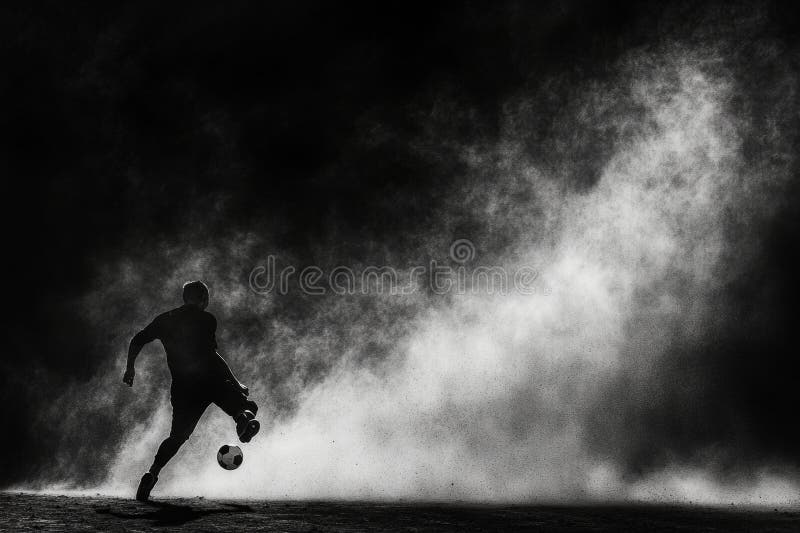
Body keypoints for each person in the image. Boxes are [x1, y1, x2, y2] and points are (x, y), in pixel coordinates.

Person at [123, 280, 260, 501]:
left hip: (184, 389)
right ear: (204, 299)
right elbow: (211, 356)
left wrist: (130, 367)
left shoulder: (165, 320)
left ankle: (151, 474)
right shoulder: (206, 319)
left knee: (177, 437)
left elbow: (137, 340)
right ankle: (242, 418)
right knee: (247, 405)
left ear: (184, 298)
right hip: (210, 381)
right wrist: (235, 383)